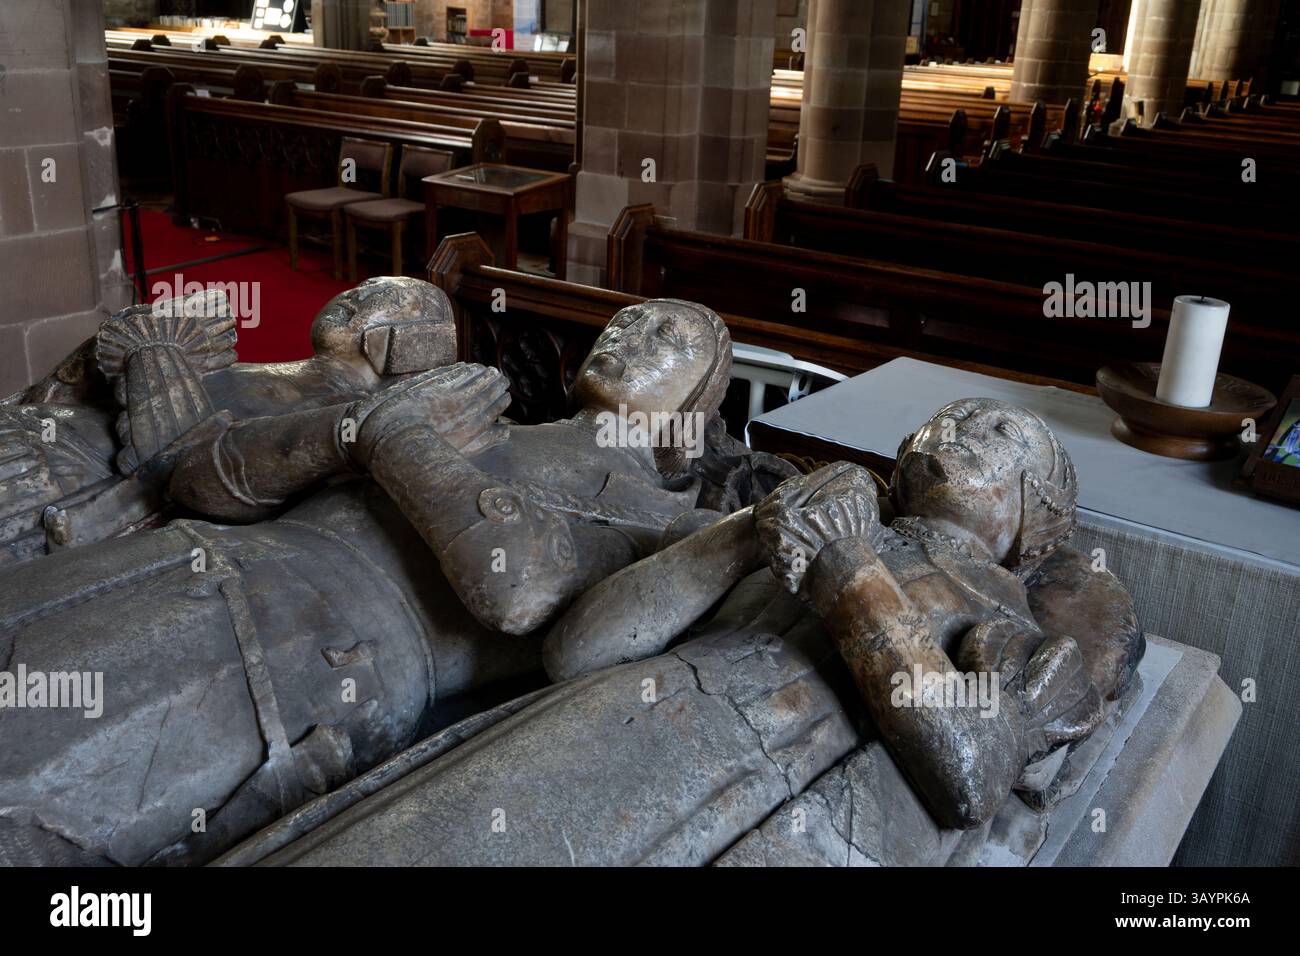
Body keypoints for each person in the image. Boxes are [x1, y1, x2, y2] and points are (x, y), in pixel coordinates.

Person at [0, 299, 790, 866]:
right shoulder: (479, 414)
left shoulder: (668, 527)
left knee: (39, 795)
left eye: (667, 334)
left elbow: (517, 590)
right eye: (622, 322)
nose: (626, 336)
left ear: (702, 394)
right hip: (190, 559)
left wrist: (394, 433)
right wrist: (359, 429)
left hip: (303, 655)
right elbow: (202, 477)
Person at [0, 277, 456, 566]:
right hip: (50, 427)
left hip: (65, 476)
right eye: (361, 287)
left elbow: (184, 468)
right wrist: (125, 342)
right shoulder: (294, 375)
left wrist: (153, 352)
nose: (355, 295)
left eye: (385, 298)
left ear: (404, 345)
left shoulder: (336, 412)